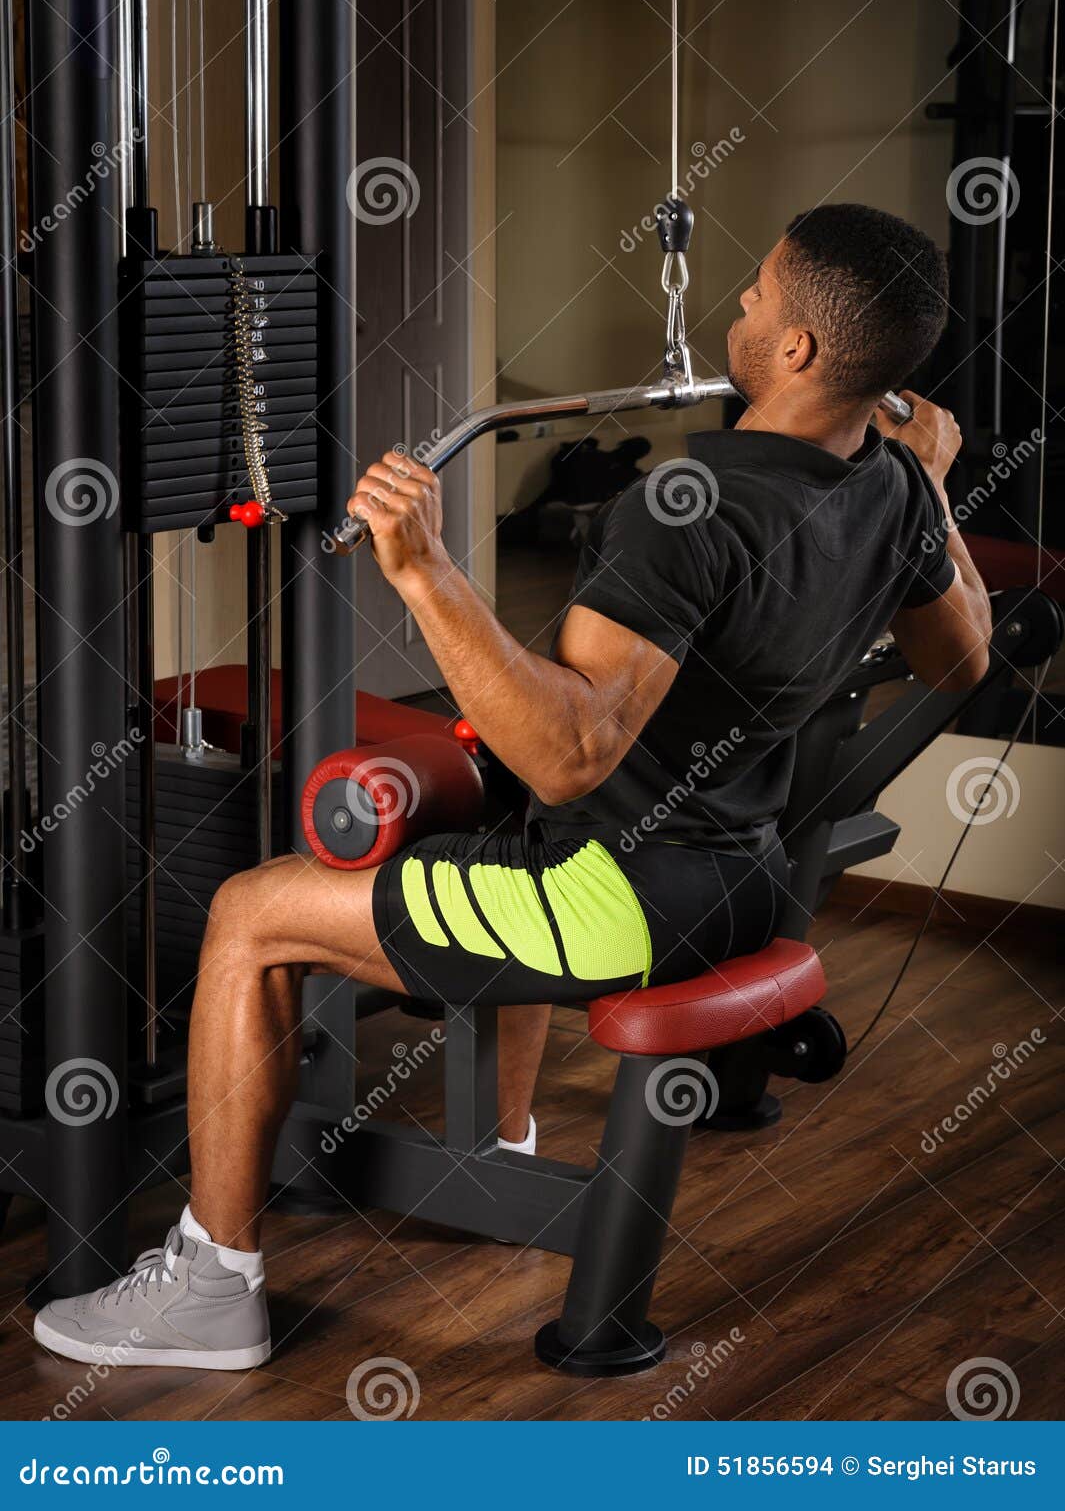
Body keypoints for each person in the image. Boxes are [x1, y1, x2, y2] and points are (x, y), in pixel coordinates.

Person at [34, 203, 992, 1370]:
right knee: (512, 828)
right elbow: (966, 658)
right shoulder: (890, 487)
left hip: (619, 897)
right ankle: (500, 1150)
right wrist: (935, 481)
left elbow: (571, 752)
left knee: (249, 916)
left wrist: (424, 569)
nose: (738, 303)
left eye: (756, 292)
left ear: (795, 352)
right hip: (741, 886)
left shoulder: (682, 510)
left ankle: (210, 1283)